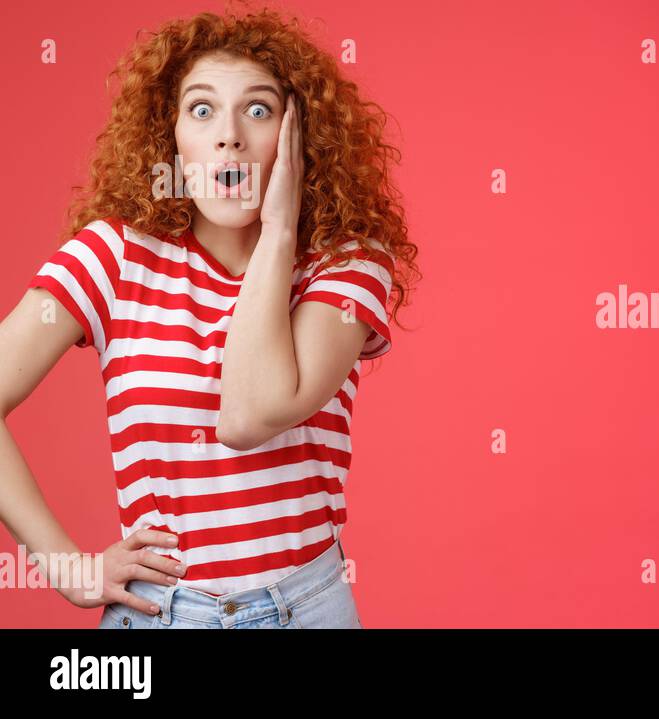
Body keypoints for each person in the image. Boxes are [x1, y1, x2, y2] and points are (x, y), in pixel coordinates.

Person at [0, 8, 418, 628]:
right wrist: (69, 568)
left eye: (258, 110)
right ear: (171, 138)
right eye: (201, 110)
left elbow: (247, 414)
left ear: (299, 136)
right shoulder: (113, 257)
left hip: (307, 609)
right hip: (158, 616)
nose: (229, 136)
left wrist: (278, 232)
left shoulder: (347, 264)